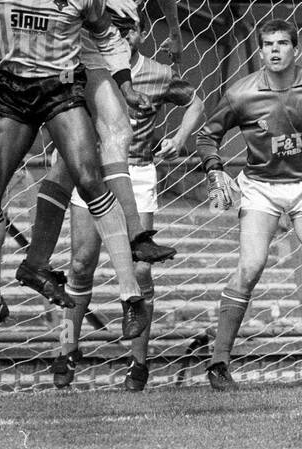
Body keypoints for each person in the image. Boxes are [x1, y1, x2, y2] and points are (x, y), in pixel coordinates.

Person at [0, 0, 156, 344]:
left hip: (62, 90)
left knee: (90, 179)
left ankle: (130, 298)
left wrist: (124, 84)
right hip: (12, 91)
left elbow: (107, 36)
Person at [18, 0, 183, 294]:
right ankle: (134, 240)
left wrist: (174, 28)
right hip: (78, 51)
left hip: (116, 53)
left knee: (80, 158)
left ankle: (39, 263)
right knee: (111, 140)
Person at [195, 18, 302, 391]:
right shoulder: (241, 93)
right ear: (260, 50)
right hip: (261, 189)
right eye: (267, 44)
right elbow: (207, 137)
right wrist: (215, 170)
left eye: (282, 43)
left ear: (295, 48)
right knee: (251, 267)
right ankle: (219, 363)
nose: (274, 50)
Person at [52, 52, 204, 391]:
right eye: (117, 27)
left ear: (139, 30)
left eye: (130, 27)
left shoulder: (159, 73)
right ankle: (67, 349)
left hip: (136, 171)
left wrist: (180, 138)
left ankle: (138, 363)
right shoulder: (87, 69)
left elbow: (196, 102)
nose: (124, 35)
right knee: (80, 263)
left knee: (141, 269)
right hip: (93, 169)